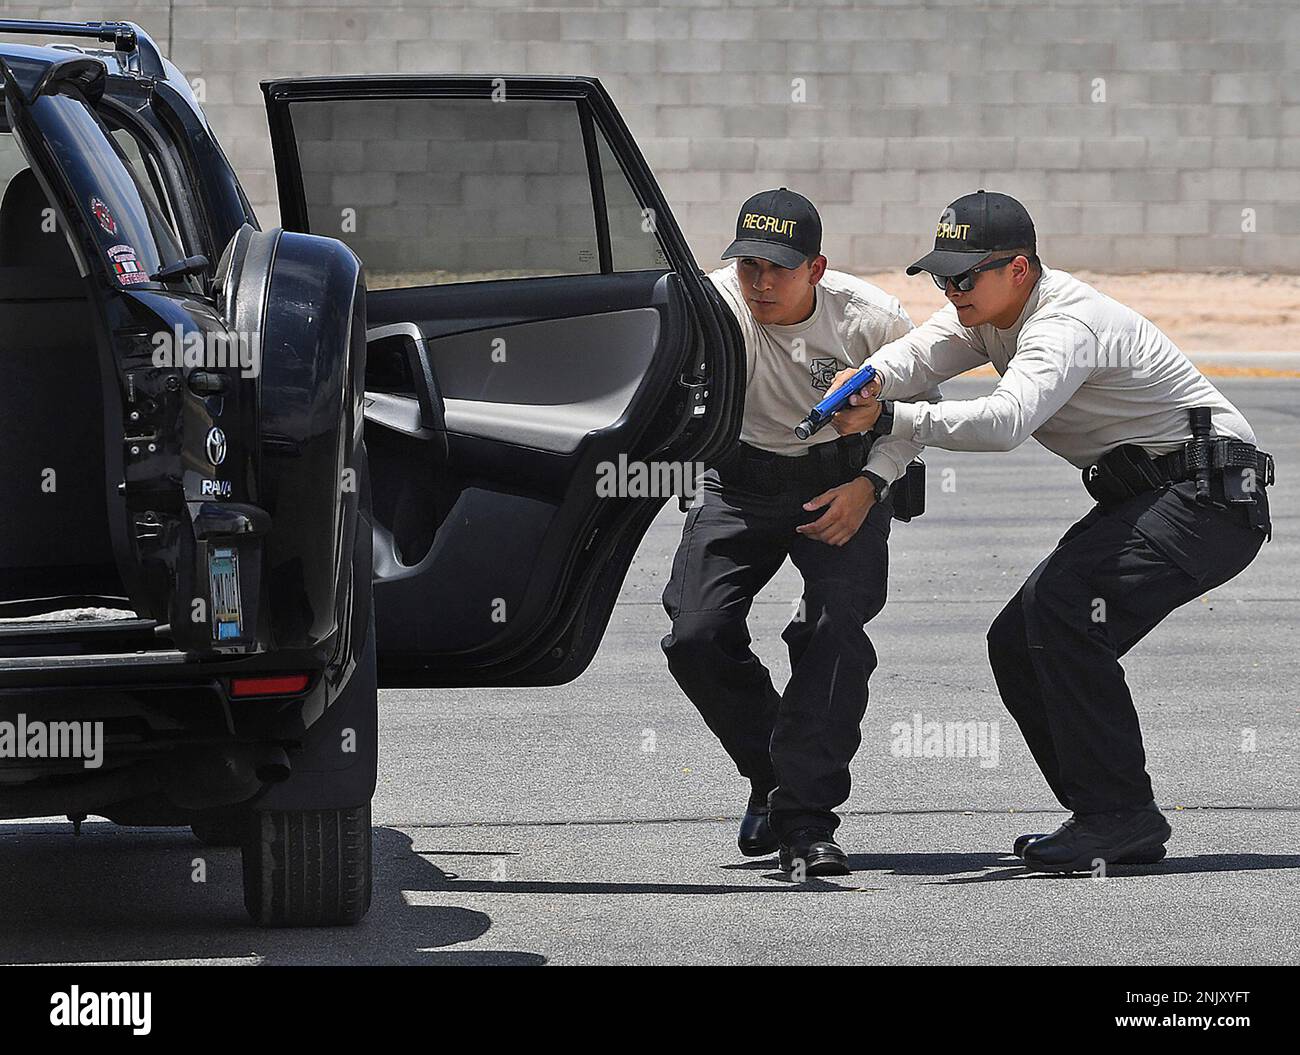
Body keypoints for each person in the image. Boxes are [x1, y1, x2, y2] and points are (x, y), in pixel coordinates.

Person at [827, 190, 1273, 872]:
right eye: (943, 276)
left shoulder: (1065, 323)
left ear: (1020, 270)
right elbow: (918, 354)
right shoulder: (985, 317)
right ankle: (1109, 812)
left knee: (1063, 612)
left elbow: (1006, 422)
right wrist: (865, 380)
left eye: (966, 275)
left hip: (1210, 495)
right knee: (1019, 640)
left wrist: (890, 419)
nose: (952, 290)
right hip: (1162, 493)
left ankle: (1117, 814)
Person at [660, 187, 937, 876]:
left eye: (778, 268)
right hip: (741, 479)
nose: (760, 282)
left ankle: (808, 822)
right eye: (749, 263)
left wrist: (869, 486)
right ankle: (776, 776)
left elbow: (919, 417)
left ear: (815, 268)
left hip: (840, 481)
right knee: (695, 635)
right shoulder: (712, 305)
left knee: (833, 629)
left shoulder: (871, 319)